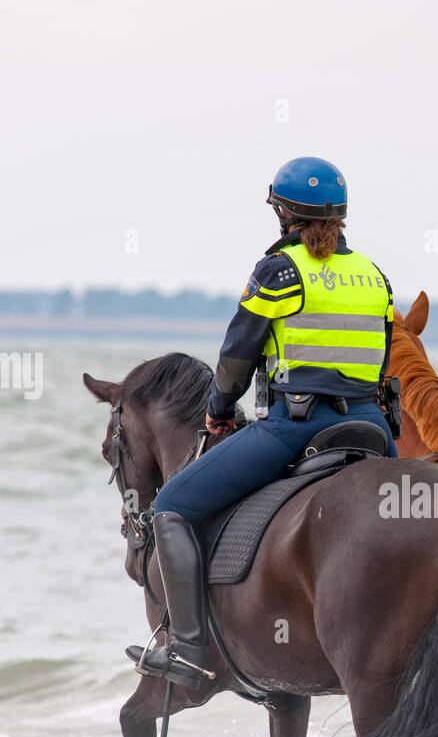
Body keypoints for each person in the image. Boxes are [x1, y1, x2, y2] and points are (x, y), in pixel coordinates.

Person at [128, 156, 397, 688]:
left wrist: (218, 411)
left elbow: (237, 355)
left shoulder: (280, 270)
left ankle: (188, 651)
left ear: (284, 215)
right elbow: (385, 357)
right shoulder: (374, 274)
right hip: (373, 430)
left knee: (173, 508)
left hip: (296, 426)